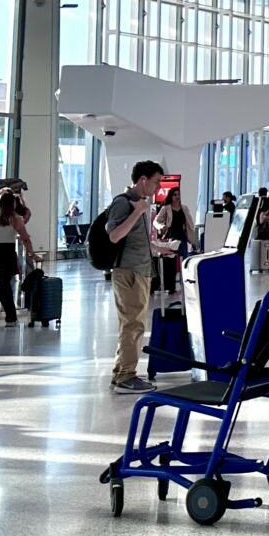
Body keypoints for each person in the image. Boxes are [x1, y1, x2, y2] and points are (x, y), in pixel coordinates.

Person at [103, 160, 165, 395]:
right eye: (157, 182)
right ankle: (127, 376)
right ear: (143, 180)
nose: (158, 187)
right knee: (133, 325)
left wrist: (157, 248)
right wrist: (138, 212)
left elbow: (135, 238)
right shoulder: (124, 203)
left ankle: (121, 371)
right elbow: (115, 235)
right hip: (129, 271)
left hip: (139, 269)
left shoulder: (139, 204)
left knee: (132, 324)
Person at [0, 187, 39, 329]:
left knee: (4, 285)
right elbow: (25, 238)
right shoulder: (16, 219)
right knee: (2, 285)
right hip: (7, 253)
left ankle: (11, 318)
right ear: (13, 204)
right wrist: (32, 253)